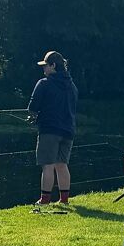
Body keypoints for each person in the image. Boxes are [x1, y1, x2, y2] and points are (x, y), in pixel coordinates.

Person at [28, 49, 78, 207]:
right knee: (62, 165)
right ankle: (64, 200)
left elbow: (32, 107)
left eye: (46, 66)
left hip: (49, 130)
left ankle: (45, 200)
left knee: (47, 165)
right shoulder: (72, 86)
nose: (44, 69)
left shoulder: (44, 83)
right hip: (68, 131)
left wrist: (34, 115)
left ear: (53, 66)